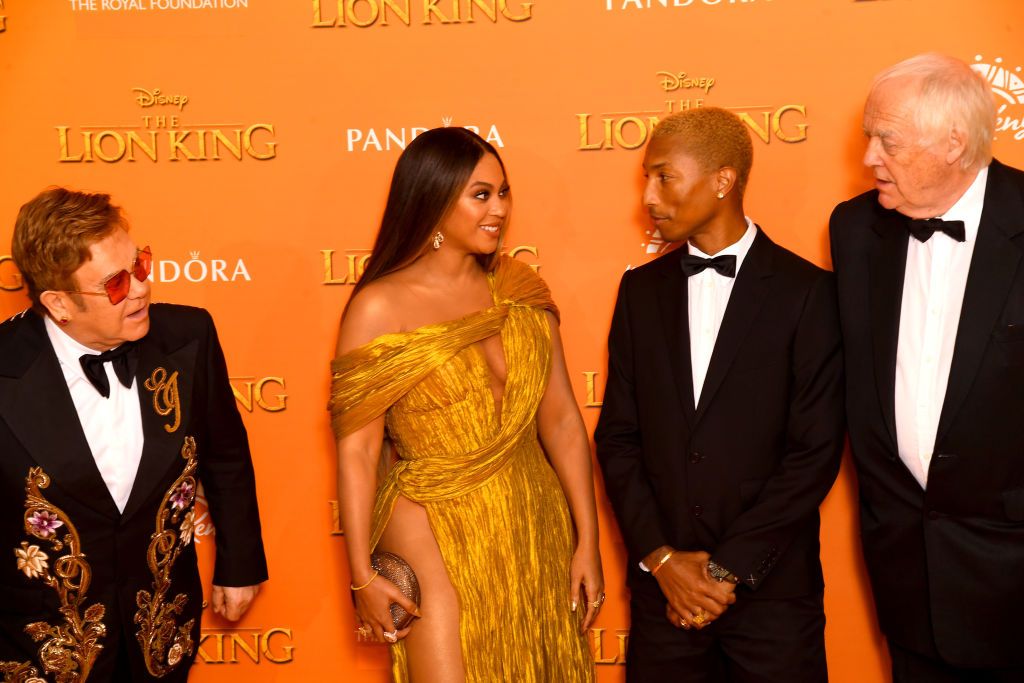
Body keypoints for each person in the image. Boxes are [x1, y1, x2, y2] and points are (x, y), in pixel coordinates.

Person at [329, 127, 602, 682]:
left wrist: (587, 543)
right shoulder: (380, 307)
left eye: (503, 193)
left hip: (534, 518)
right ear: (433, 200)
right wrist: (360, 574)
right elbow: (358, 451)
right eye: (481, 195)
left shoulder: (519, 290)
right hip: (432, 518)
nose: (499, 209)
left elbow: (562, 423)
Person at [595, 107, 844, 682]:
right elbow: (618, 439)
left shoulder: (807, 293)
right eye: (646, 179)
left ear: (722, 180)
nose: (648, 197)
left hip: (773, 597)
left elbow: (814, 454)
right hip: (664, 596)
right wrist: (662, 561)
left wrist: (723, 573)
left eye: (664, 177)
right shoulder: (639, 292)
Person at [0, 188, 267, 682]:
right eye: (117, 283)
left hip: (160, 628)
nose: (142, 288)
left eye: (140, 265)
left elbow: (226, 455)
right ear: (59, 303)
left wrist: (241, 563)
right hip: (38, 642)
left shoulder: (188, 337)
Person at [830, 53, 1024, 681]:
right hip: (908, 579)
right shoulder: (854, 228)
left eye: (887, 140)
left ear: (954, 143)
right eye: (869, 137)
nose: (869, 158)